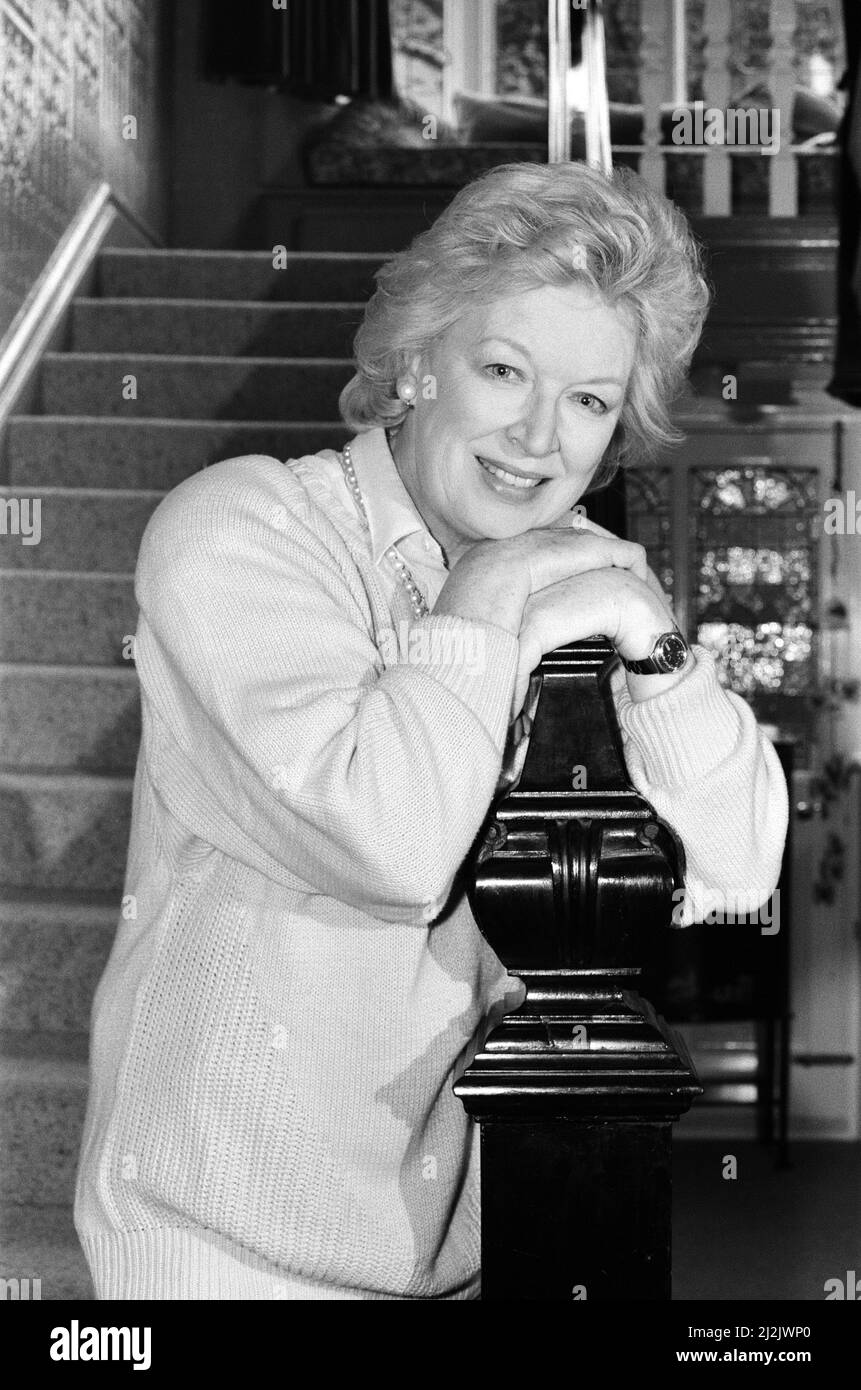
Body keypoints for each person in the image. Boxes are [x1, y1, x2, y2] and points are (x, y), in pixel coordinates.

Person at [74, 161, 788, 1300]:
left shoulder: (567, 595)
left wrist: (651, 645)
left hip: (444, 1256)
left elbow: (739, 867)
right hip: (216, 1246)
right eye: (504, 370)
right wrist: (481, 608)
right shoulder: (245, 527)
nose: (541, 436)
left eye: (591, 401)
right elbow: (390, 845)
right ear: (416, 363)